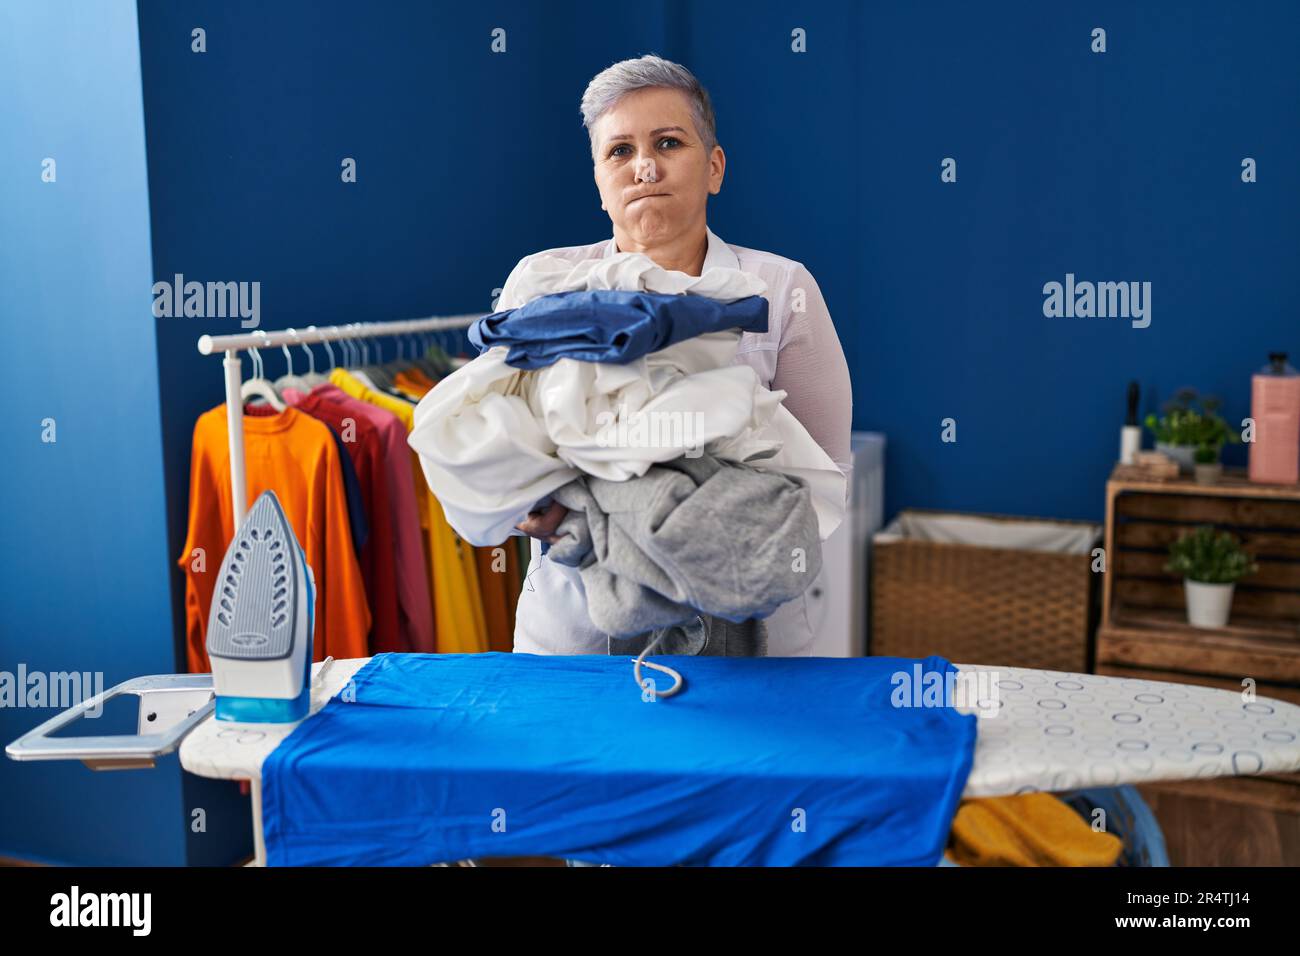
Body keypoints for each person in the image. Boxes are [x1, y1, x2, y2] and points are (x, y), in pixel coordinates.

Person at [502, 54, 852, 658]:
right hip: (575, 639)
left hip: (751, 636)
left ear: (714, 167)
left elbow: (823, 476)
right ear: (598, 179)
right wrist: (530, 507)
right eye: (619, 152)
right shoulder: (544, 286)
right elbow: (496, 454)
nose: (644, 168)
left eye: (669, 143)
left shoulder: (780, 289)